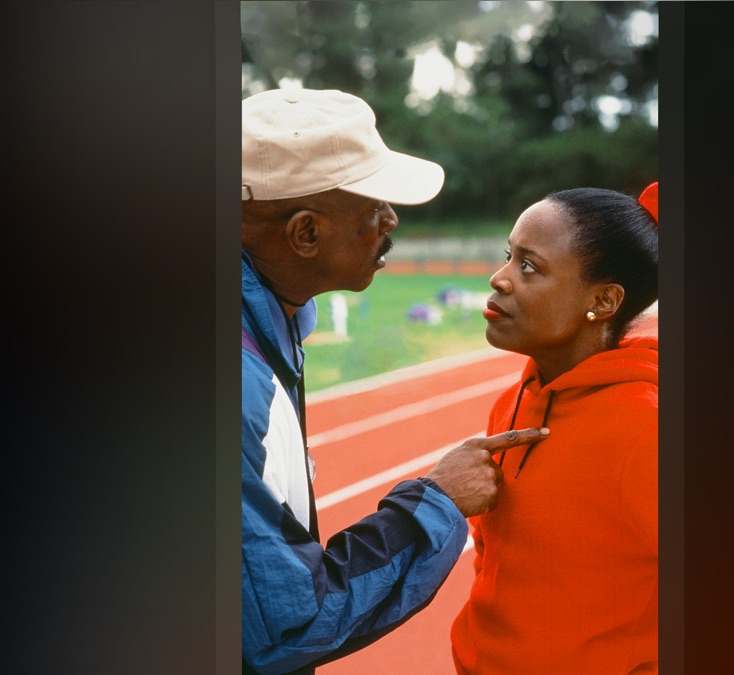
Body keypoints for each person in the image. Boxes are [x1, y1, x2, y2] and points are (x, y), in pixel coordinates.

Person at [240, 86, 550, 675]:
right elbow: (283, 627)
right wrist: (435, 502)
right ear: (305, 233)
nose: (391, 220)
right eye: (373, 205)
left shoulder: (270, 315)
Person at [450, 183, 660, 674]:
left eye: (529, 266)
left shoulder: (645, 428)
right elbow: (494, 562)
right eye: (508, 256)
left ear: (604, 300)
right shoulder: (511, 406)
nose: (498, 278)